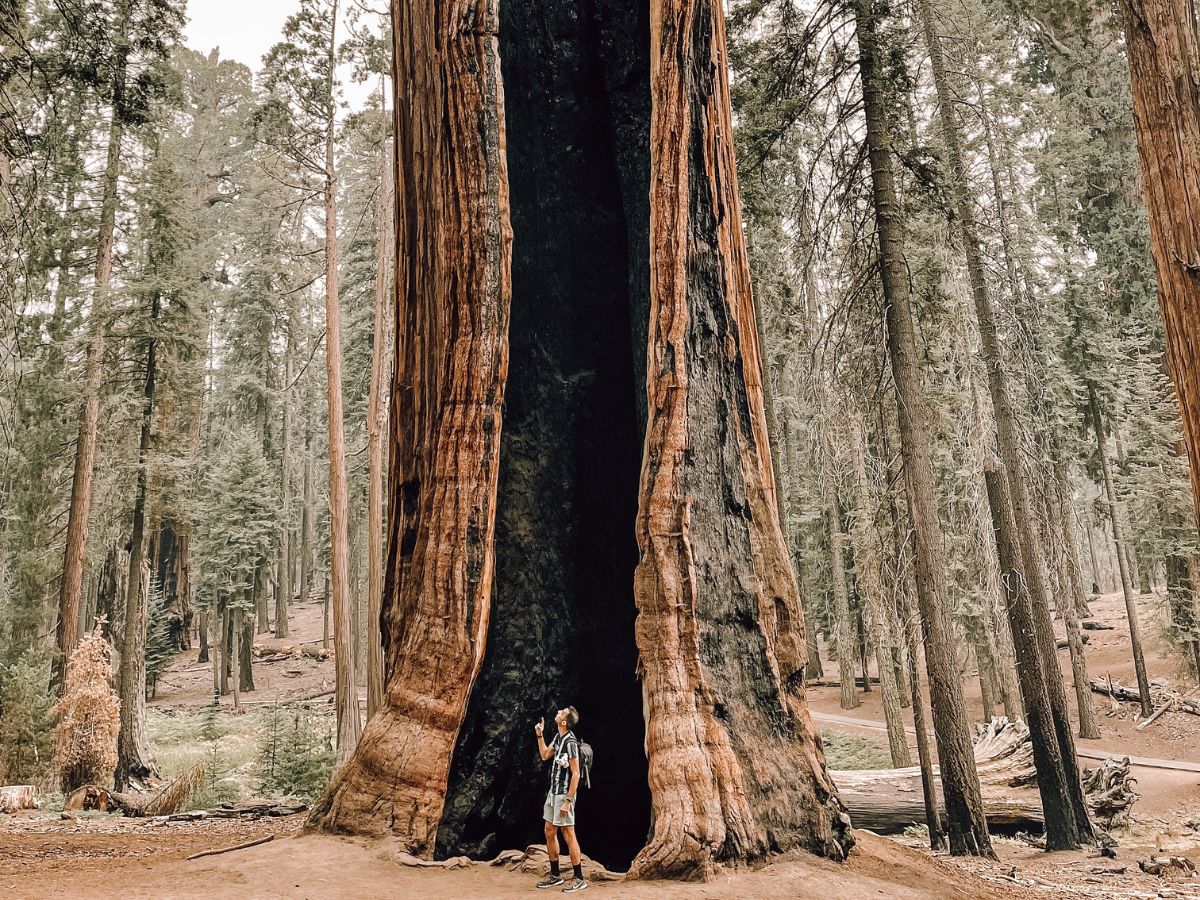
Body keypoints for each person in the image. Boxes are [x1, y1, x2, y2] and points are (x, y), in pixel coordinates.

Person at [534, 706, 586, 892]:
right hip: (553, 793)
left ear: (564, 722)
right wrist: (540, 735)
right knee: (549, 830)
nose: (557, 711)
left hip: (564, 794)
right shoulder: (558, 738)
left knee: (568, 833)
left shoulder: (571, 742)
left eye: (561, 712)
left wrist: (568, 801)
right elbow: (545, 755)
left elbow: (576, 774)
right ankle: (555, 875)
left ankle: (579, 877)